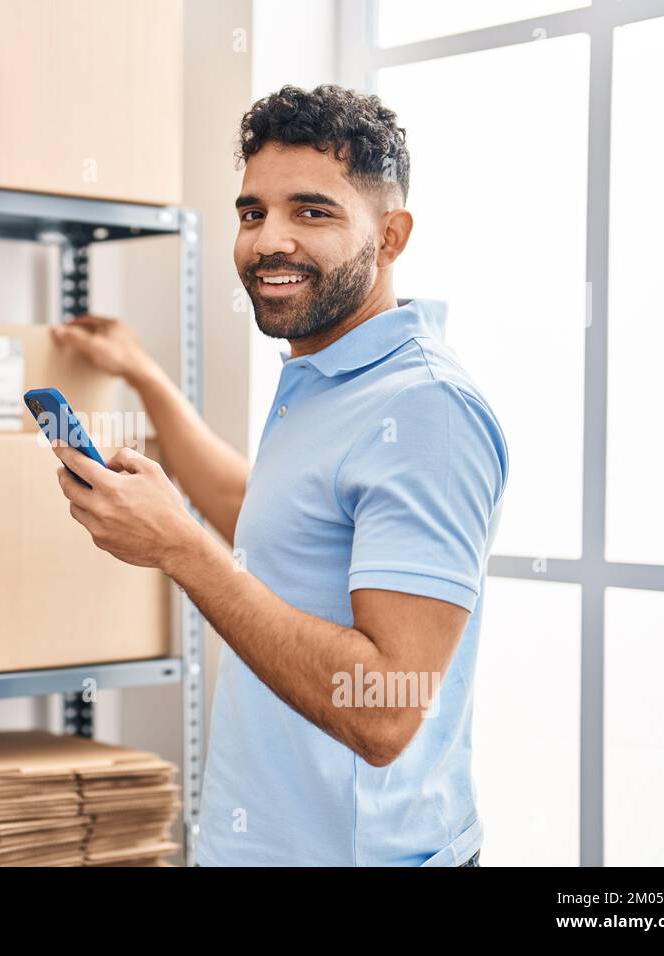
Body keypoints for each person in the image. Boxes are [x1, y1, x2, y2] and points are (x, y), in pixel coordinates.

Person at [47, 84, 509, 867]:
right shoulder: (329, 372)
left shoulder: (425, 409)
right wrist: (147, 380)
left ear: (390, 235)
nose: (268, 241)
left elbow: (387, 709)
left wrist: (181, 550)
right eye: (252, 213)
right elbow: (264, 518)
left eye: (312, 212)